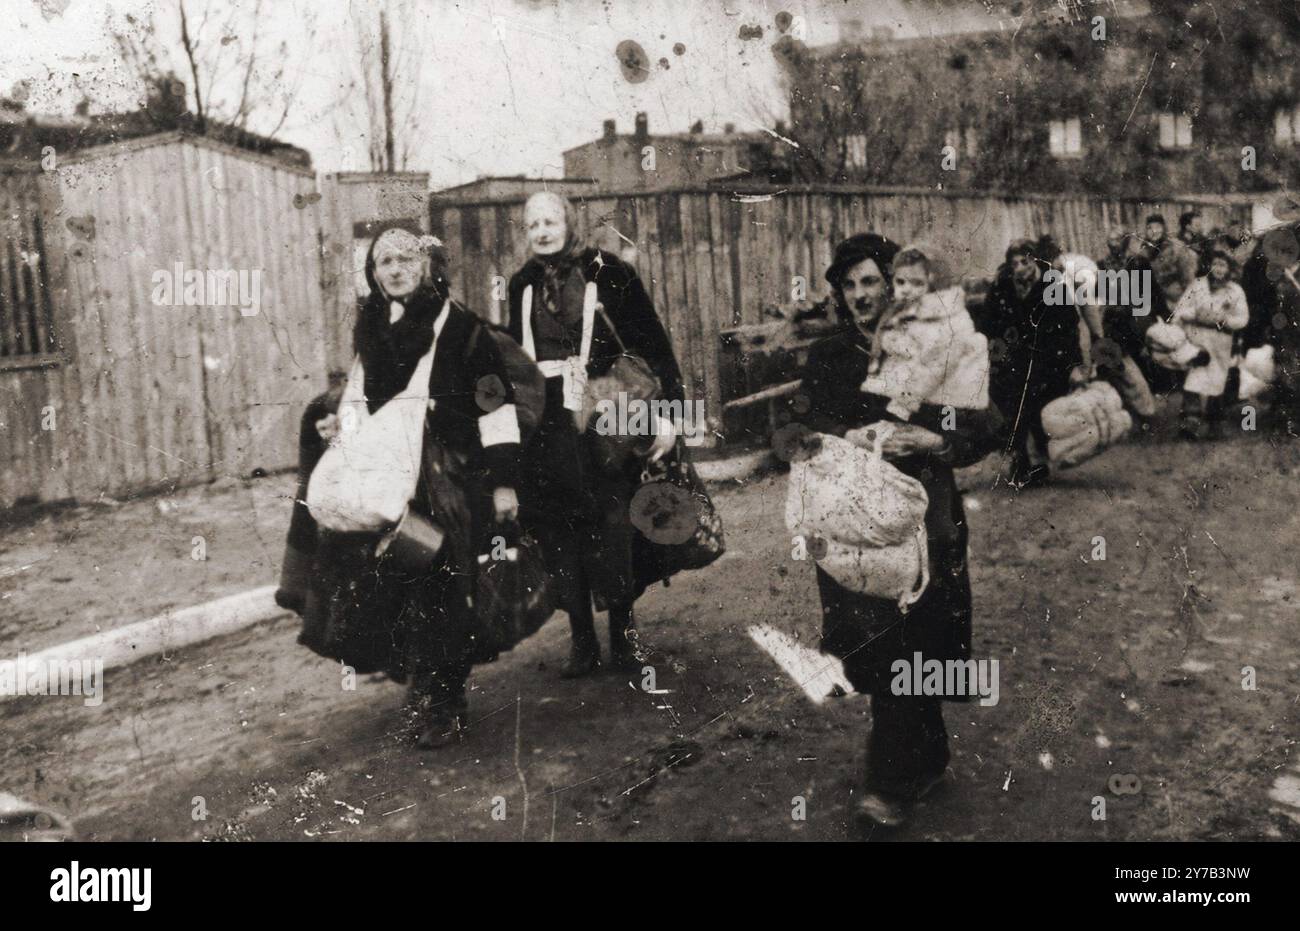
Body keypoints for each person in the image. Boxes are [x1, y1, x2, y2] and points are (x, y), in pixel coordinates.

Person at [288, 225, 524, 749]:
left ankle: (446, 701)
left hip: (446, 479)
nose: (394, 270)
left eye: (404, 261)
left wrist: (505, 483)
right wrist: (338, 427)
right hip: (384, 478)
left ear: (425, 267)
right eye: (383, 263)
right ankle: (422, 679)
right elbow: (362, 405)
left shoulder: (461, 328)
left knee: (439, 582)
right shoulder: (371, 326)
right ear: (374, 275)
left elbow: (496, 404)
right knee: (390, 579)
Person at [795, 232, 1002, 830]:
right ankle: (926, 752)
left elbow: (987, 423)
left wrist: (937, 439)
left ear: (896, 284)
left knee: (918, 630)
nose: (860, 295)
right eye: (849, 284)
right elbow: (800, 424)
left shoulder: (939, 341)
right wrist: (829, 442)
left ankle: (888, 783)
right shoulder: (831, 354)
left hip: (924, 513)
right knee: (876, 637)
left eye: (871, 282)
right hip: (853, 516)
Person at [507, 192, 686, 677]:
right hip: (546, 425)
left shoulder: (609, 272)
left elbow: (652, 342)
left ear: (568, 222)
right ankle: (582, 640)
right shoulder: (521, 286)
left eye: (550, 221)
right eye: (532, 225)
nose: (542, 231)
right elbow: (512, 363)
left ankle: (624, 636)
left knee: (613, 524)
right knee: (558, 530)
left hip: (605, 416)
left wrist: (668, 412)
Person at [977, 238, 1087, 487]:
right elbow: (987, 323)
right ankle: (1022, 459)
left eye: (1024, 262)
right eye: (1013, 263)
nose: (1018, 269)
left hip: (1048, 358)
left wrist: (1074, 366)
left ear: (1035, 261)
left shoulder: (1053, 285)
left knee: (1040, 409)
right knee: (1012, 407)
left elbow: (1069, 328)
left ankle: (1037, 460)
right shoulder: (1002, 286)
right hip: (1013, 358)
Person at [1172, 249, 1250, 439]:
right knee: (1193, 381)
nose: (1219, 269)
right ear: (1208, 266)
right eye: (1215, 264)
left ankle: (1215, 426)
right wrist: (1197, 315)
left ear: (1229, 269)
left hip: (1220, 342)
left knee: (1216, 383)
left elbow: (1243, 318)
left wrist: (1223, 321)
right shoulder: (1197, 286)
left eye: (1223, 265)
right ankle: (1189, 426)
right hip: (1197, 341)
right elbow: (1180, 311)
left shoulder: (1235, 290)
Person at [1142, 213, 1199, 310]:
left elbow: (1188, 278)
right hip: (1152, 299)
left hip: (1175, 300)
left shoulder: (1176, 247)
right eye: (1149, 228)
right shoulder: (1143, 250)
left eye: (1157, 227)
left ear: (1164, 228)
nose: (1154, 231)